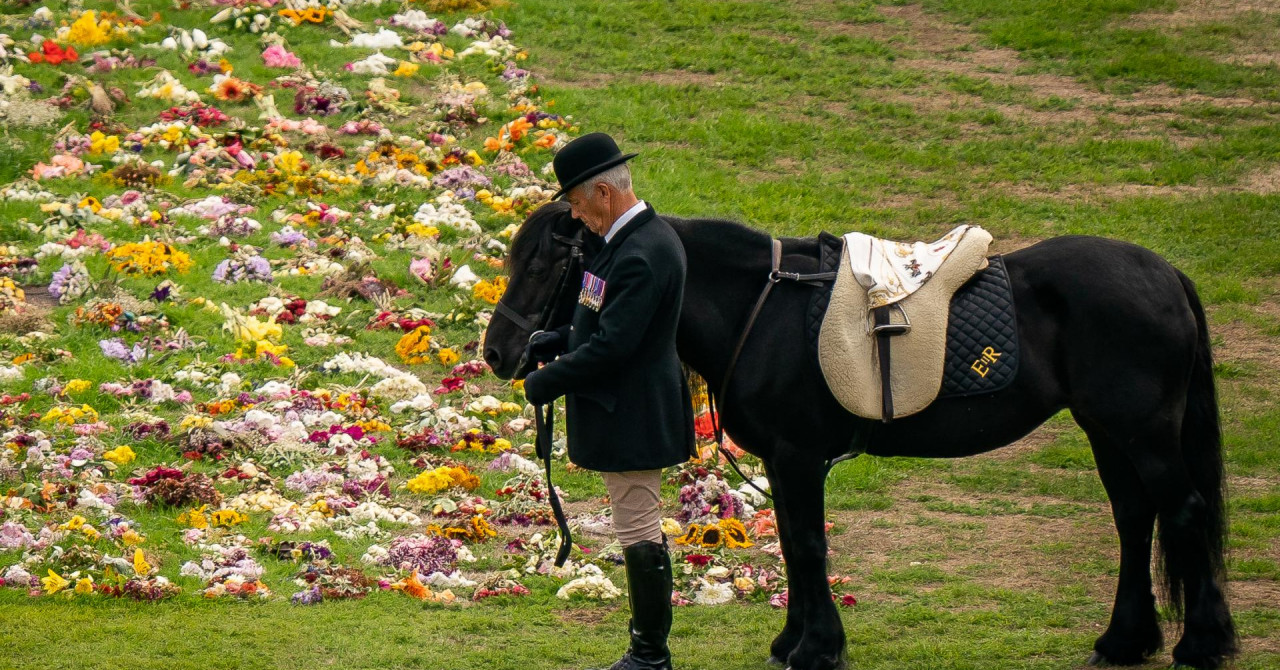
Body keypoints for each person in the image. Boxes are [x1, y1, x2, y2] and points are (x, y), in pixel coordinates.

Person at [522, 132, 695, 670]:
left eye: (575, 203)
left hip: (634, 411)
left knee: (639, 526)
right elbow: (599, 317)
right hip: (624, 406)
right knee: (632, 523)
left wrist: (546, 382)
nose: (575, 216)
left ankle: (650, 655)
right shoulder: (622, 244)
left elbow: (616, 347)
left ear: (602, 192)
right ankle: (647, 649)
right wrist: (557, 341)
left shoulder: (643, 252)